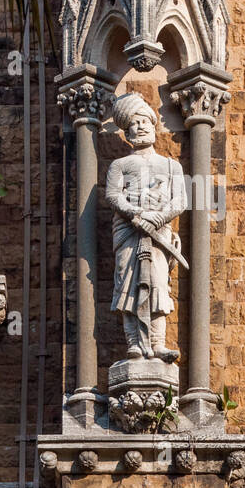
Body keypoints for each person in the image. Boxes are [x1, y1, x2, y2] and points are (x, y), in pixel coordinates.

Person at [105, 93, 188, 362]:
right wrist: (135, 214)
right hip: (129, 231)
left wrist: (157, 218)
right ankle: (135, 344)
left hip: (158, 232)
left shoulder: (170, 165)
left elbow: (180, 200)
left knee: (158, 285)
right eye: (134, 124)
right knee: (128, 285)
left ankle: (157, 343)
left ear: (153, 126)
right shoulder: (120, 165)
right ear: (127, 132)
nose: (140, 127)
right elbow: (113, 195)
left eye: (144, 122)